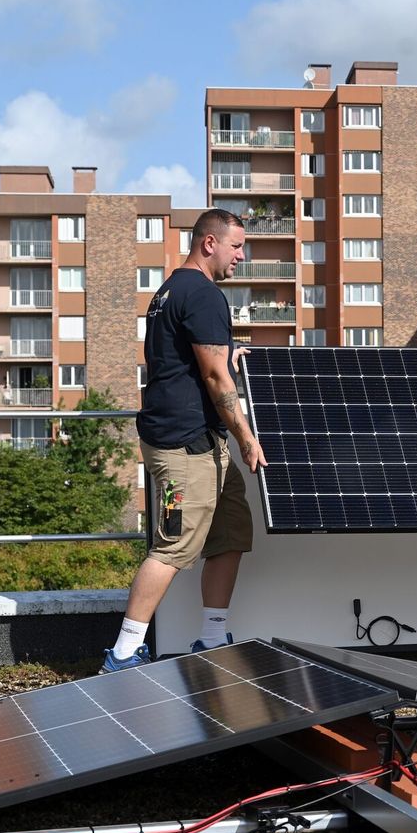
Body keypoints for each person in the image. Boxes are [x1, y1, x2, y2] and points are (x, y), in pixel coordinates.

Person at [100, 208, 268, 673]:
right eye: (236, 246)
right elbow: (216, 379)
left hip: (204, 443)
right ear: (209, 244)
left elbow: (192, 358)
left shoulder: (173, 289)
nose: (242, 256)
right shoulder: (203, 294)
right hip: (183, 446)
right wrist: (248, 438)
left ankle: (212, 638)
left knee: (231, 532)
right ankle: (123, 654)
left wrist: (225, 353)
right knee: (173, 546)